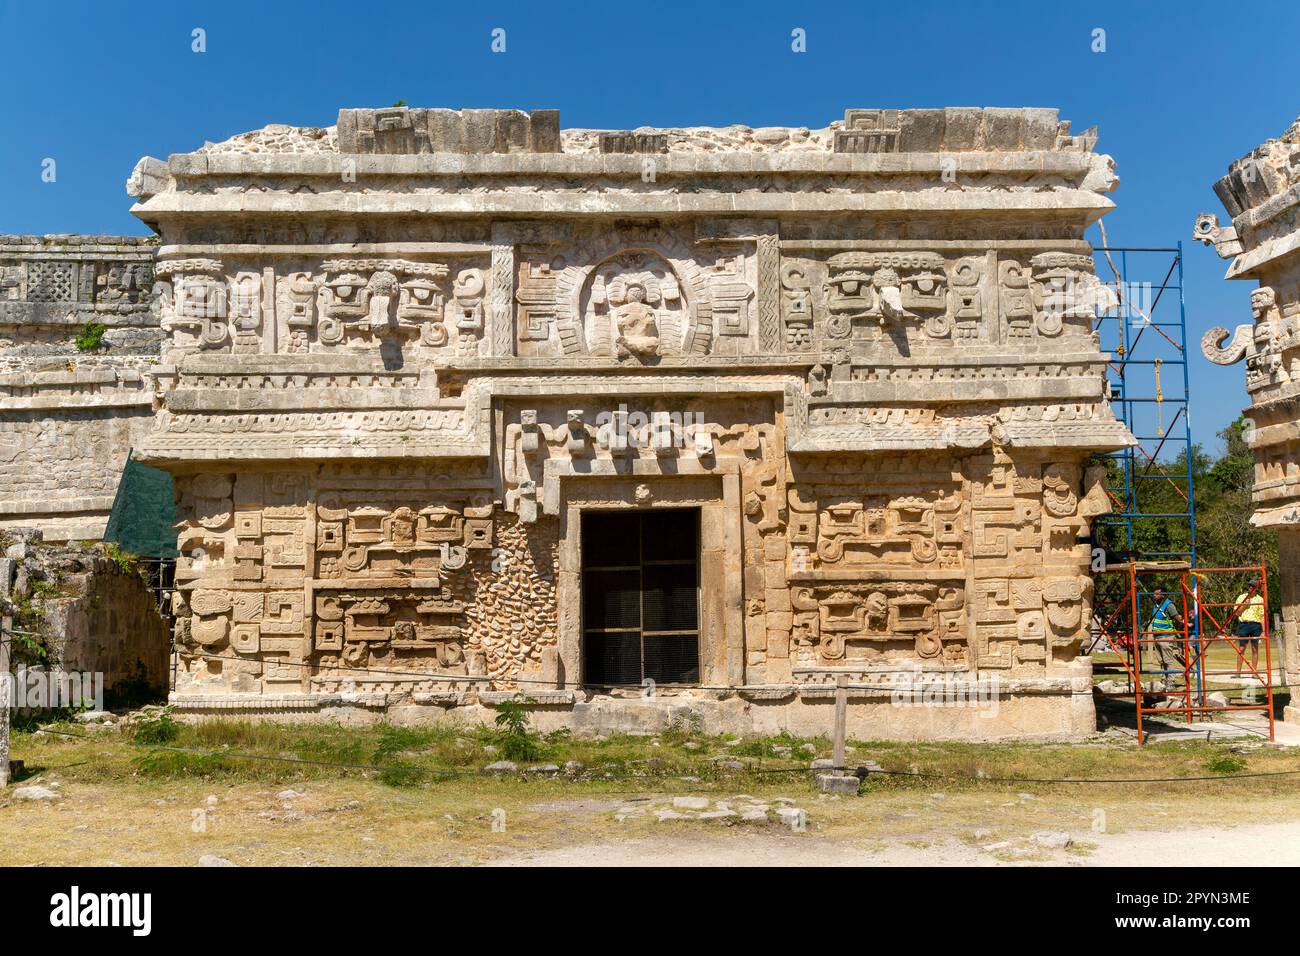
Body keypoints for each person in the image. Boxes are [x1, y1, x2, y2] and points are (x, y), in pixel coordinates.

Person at [1146, 586, 1186, 685]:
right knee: (1161, 660)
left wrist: (1179, 623)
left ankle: (1171, 681)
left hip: (1166, 636)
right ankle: (1164, 678)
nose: (1154, 596)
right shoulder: (1156, 605)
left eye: (1157, 594)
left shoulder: (1169, 604)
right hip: (1157, 636)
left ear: (1163, 595)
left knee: (1168, 660)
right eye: (1154, 594)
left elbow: (1177, 618)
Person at [1231, 578, 1266, 678]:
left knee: (1255, 649)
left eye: (1253, 586)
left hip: (1255, 626)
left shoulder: (1260, 599)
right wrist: (1244, 606)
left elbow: (1262, 616)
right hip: (1244, 625)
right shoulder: (1241, 597)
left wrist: (1263, 631)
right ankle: (1238, 672)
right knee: (1241, 649)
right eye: (1249, 586)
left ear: (1256, 588)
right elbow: (1236, 613)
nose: (1250, 588)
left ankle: (1254, 672)